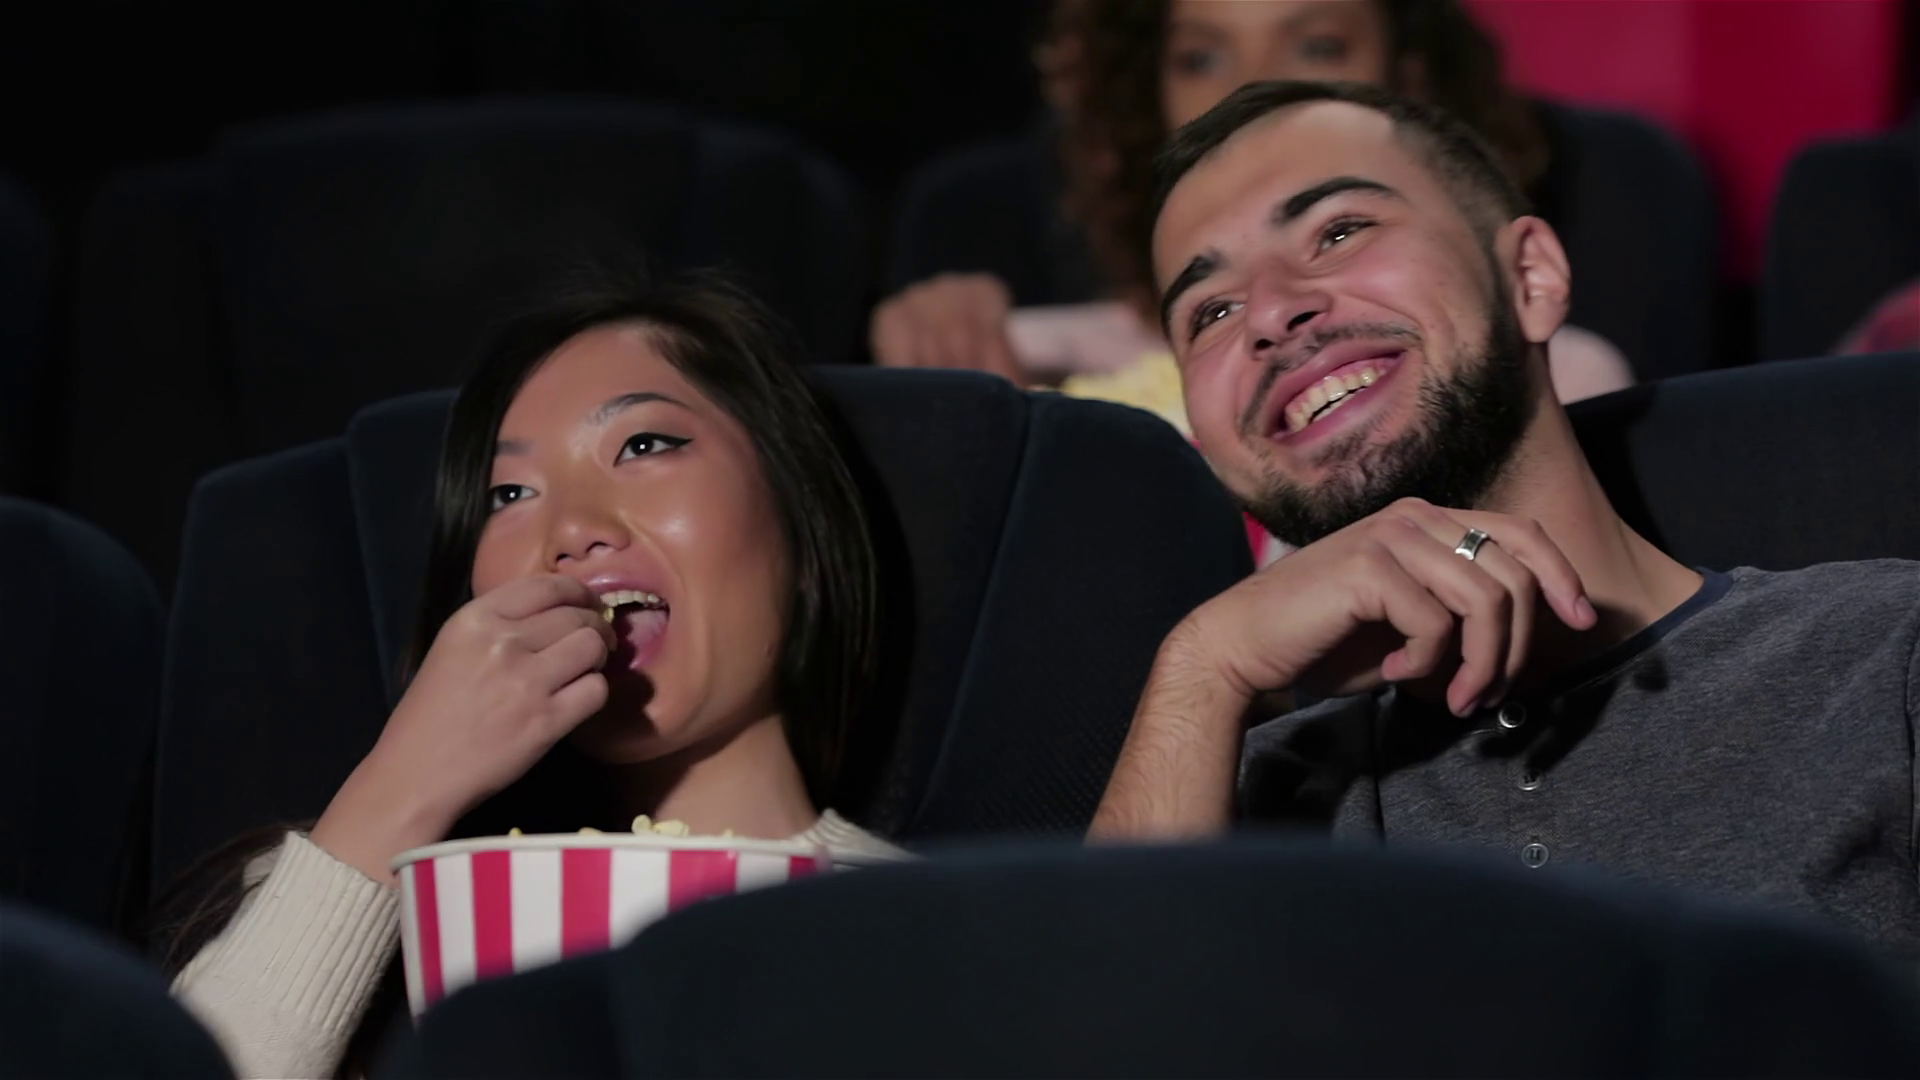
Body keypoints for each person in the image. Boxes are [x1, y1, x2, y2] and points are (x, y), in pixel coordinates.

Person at [1089, 81, 1920, 955]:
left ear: (1530, 277)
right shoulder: (1222, 794)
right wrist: (1202, 668)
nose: (1267, 313)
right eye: (1209, 311)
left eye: (1338, 232)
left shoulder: (1885, 659)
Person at [164, 267, 905, 1080]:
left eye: (644, 445)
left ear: (801, 527)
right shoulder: (341, 889)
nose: (572, 527)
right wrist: (401, 789)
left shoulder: (928, 924)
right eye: (509, 493)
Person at [874, 0, 1637, 409]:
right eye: (1201, 57)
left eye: (1317, 46)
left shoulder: (1537, 368)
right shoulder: (1022, 362)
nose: (1250, 91)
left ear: (1409, 81)